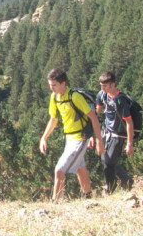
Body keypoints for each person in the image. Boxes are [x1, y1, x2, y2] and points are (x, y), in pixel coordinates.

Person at [39, 68, 104, 202]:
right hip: (69, 139)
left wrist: (99, 141)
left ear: (64, 84)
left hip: (80, 138)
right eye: (50, 85)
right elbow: (53, 119)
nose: (51, 88)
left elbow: (93, 118)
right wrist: (43, 138)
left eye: (54, 85)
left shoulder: (75, 97)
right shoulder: (55, 97)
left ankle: (55, 202)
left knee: (59, 170)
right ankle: (88, 197)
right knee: (80, 167)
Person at [95, 71, 135, 193]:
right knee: (105, 161)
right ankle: (125, 180)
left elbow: (129, 123)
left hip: (118, 135)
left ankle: (110, 188)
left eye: (105, 86)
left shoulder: (120, 100)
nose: (102, 88)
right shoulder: (102, 95)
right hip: (106, 132)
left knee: (108, 162)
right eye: (101, 85)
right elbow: (97, 112)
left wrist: (129, 144)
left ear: (113, 85)